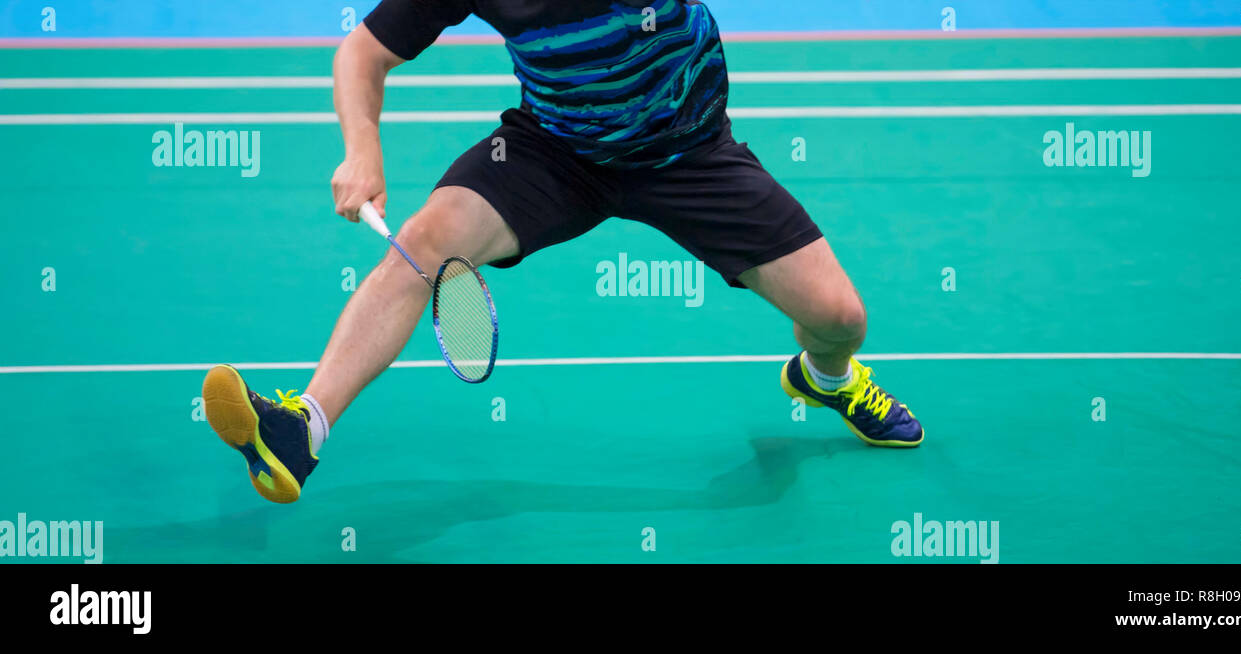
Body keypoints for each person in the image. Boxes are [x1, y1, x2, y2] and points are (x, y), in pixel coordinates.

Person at [202, 0, 923, 505]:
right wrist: (362, 150)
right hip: (554, 152)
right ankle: (301, 429)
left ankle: (825, 381)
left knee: (840, 316)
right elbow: (362, 54)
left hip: (689, 153)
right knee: (423, 243)